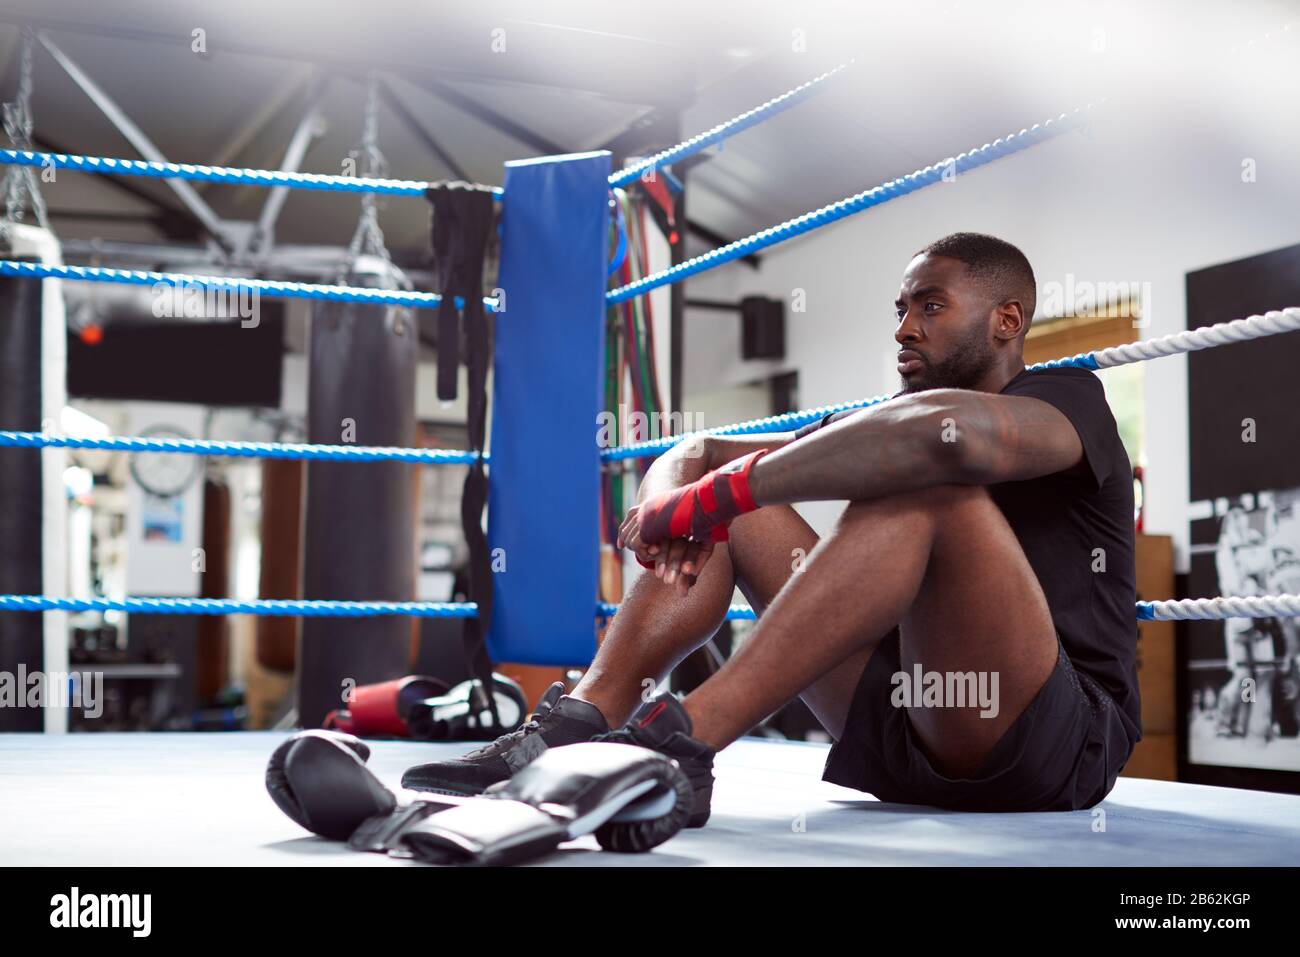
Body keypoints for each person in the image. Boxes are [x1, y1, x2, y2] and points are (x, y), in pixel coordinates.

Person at [404, 232, 1141, 820]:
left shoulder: (1069, 401)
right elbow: (697, 451)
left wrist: (718, 492)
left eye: (930, 305)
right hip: (904, 725)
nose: (905, 328)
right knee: (744, 506)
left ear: (1007, 320)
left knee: (927, 483)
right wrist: (677, 500)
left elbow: (948, 438)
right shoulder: (894, 415)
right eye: (899, 308)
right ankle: (585, 718)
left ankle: (677, 741)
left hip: (1050, 741)